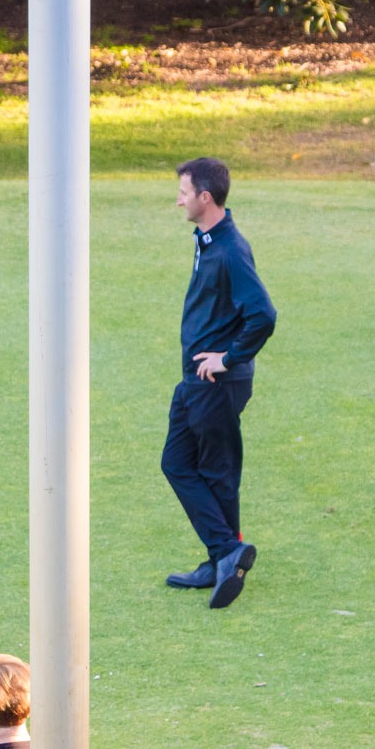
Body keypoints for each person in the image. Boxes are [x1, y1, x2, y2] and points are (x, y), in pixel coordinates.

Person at [160, 155, 276, 609]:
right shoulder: (208, 241)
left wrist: (227, 359)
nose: (179, 201)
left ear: (205, 198)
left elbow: (263, 315)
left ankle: (225, 555)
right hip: (196, 381)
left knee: (217, 472)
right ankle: (223, 552)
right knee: (177, 462)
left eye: (184, 193)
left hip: (216, 382)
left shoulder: (229, 250)